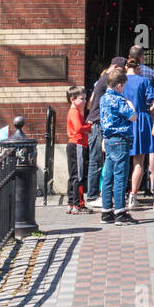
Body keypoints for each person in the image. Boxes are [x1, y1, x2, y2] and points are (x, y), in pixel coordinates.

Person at [97, 67, 139, 226]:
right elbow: (133, 116)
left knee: (108, 176)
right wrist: (129, 103)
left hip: (108, 139)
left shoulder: (103, 99)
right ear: (120, 85)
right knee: (120, 176)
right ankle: (120, 212)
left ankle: (106, 211)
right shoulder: (119, 100)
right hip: (120, 140)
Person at [86, 57, 125, 202]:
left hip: (98, 122)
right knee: (96, 160)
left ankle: (97, 193)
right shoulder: (106, 80)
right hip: (97, 123)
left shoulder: (103, 79)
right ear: (115, 66)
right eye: (120, 70)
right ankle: (92, 195)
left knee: (100, 160)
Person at [124, 53, 154, 209]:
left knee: (121, 161)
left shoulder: (120, 82)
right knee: (139, 162)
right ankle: (133, 195)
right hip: (140, 122)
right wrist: (150, 109)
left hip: (123, 122)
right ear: (138, 67)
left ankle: (117, 195)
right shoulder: (144, 81)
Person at [64, 86, 92, 214]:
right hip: (77, 144)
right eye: (82, 98)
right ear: (72, 99)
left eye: (85, 98)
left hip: (73, 144)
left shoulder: (73, 111)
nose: (85, 101)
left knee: (73, 175)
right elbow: (79, 128)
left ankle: (71, 203)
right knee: (78, 176)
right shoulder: (74, 112)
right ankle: (78, 204)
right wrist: (89, 126)